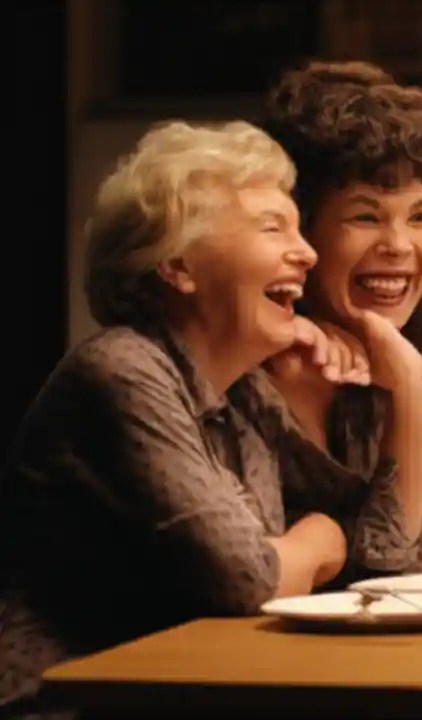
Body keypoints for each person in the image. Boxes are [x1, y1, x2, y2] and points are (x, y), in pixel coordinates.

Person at [0, 120, 400, 715]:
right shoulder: (121, 371)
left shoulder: (243, 392)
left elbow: (372, 548)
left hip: (183, 691)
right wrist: (316, 537)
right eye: (273, 227)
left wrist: (395, 384)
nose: (308, 253)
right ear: (179, 265)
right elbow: (250, 580)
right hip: (65, 704)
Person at [261, 60, 422, 575]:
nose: (399, 246)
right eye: (365, 216)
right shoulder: (250, 339)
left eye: (421, 216)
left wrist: (321, 555)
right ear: (300, 229)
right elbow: (243, 562)